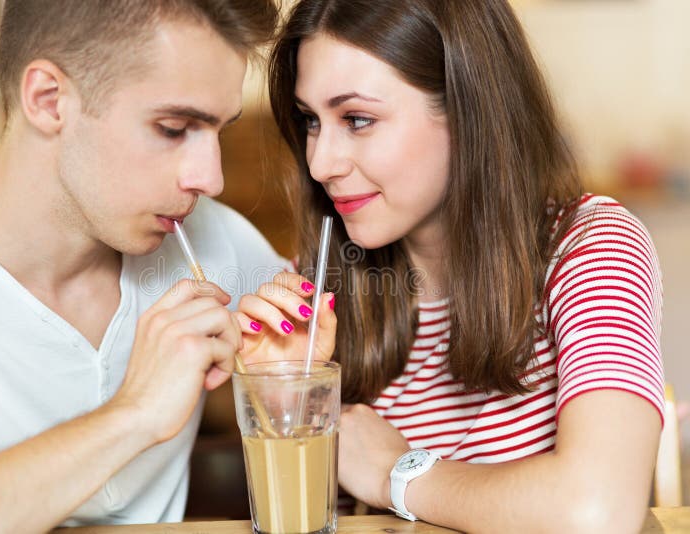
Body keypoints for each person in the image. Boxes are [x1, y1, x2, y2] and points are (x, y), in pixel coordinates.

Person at [0, 0, 337, 531]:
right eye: (174, 128)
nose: (209, 178)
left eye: (218, 130)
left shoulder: (214, 242)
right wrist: (134, 414)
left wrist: (272, 387)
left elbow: (281, 441)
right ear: (49, 100)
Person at [266, 0, 665, 532]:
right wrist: (288, 396)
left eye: (357, 119)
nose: (320, 163)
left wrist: (396, 473)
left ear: (467, 108)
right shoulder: (319, 291)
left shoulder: (588, 246)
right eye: (310, 121)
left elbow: (597, 510)